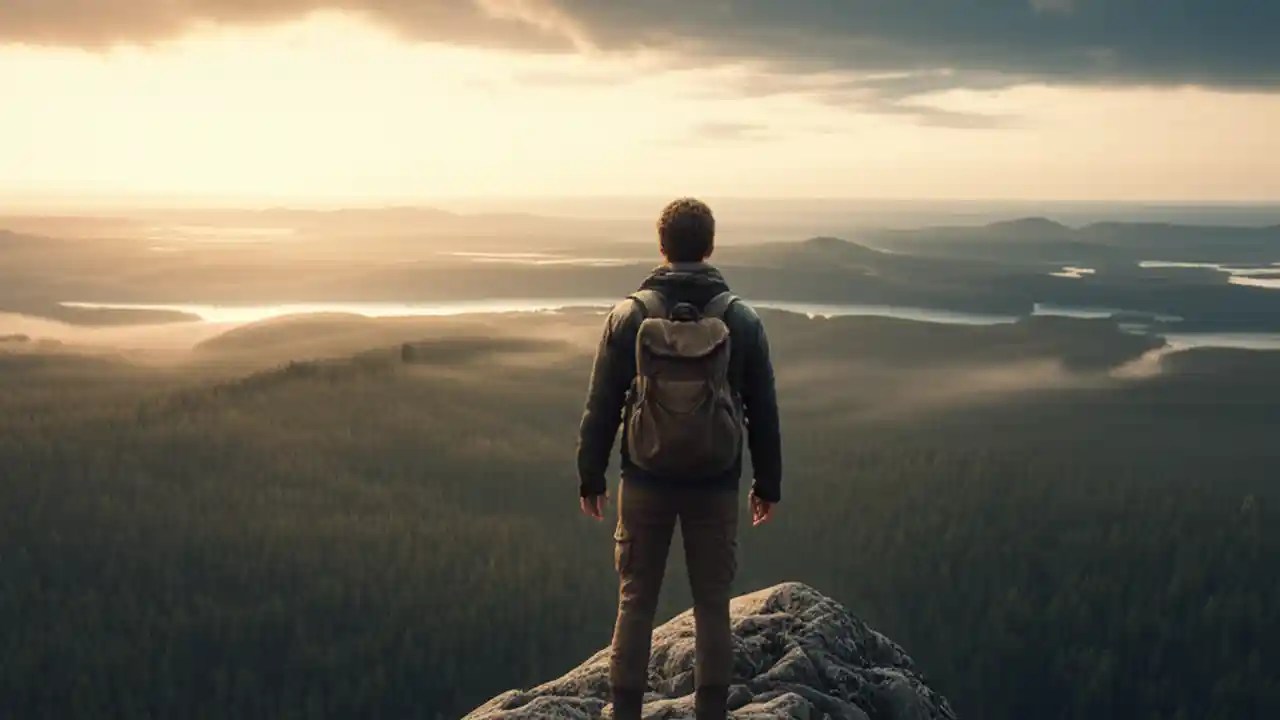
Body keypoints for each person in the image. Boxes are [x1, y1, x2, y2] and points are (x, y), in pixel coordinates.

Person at [576, 197, 783, 720]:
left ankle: (625, 714)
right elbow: (763, 406)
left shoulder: (630, 315)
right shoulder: (741, 319)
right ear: (709, 245)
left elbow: (602, 401)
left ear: (661, 245)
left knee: (635, 601)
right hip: (715, 481)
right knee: (713, 606)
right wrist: (768, 484)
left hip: (644, 477)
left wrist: (590, 474)